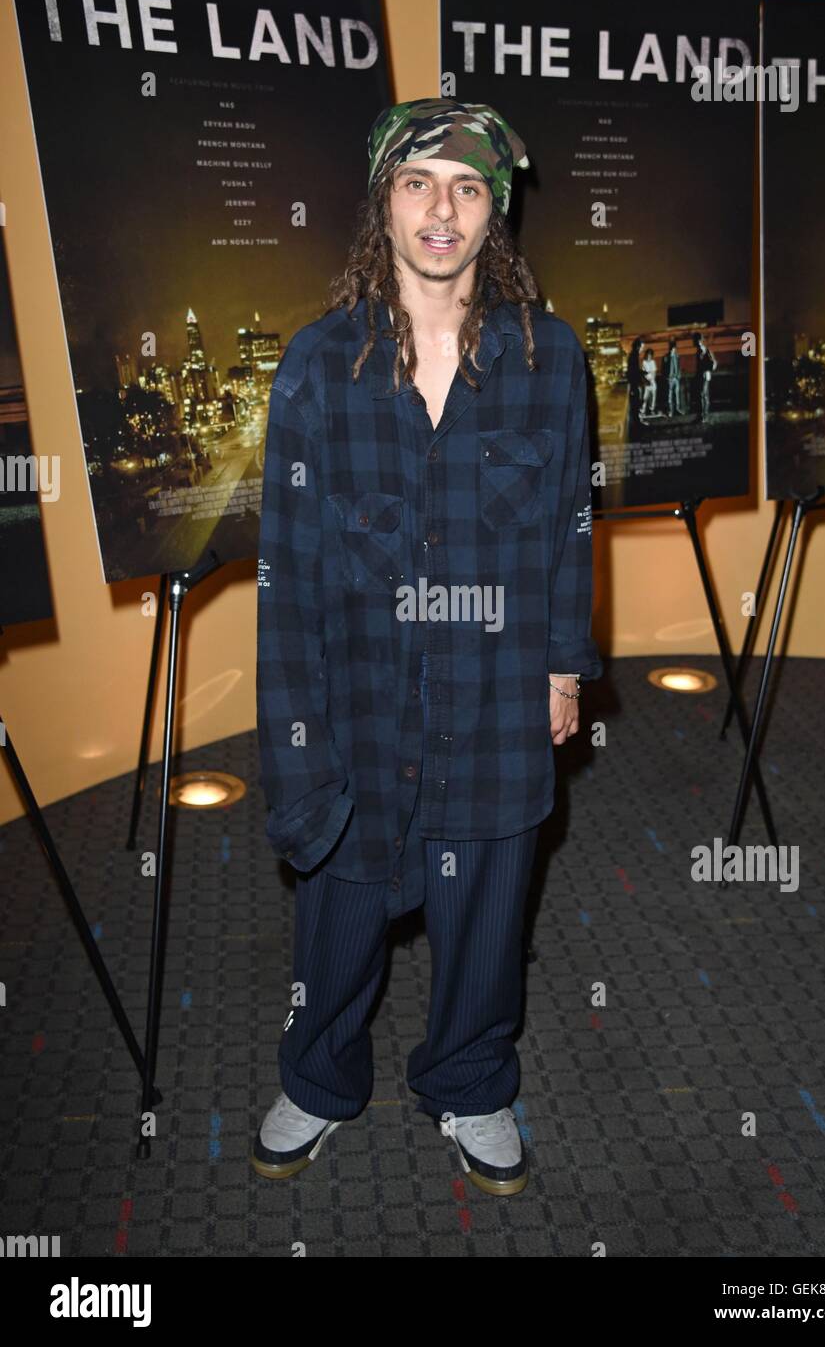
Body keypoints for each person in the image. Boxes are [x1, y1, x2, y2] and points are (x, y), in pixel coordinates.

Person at [253, 97, 603, 1197]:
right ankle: (317, 1076)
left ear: (493, 209)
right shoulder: (316, 366)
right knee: (342, 905)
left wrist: (560, 666)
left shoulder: (551, 361)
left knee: (488, 907)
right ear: (382, 202)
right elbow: (287, 568)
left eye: (464, 187)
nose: (439, 209)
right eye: (416, 184)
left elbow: (564, 530)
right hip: (358, 694)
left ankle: (470, 1078)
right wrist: (294, 725)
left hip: (497, 694)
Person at [693, 331, 717, 421]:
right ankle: (703, 415)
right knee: (703, 395)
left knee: (702, 395)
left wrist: (705, 369)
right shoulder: (701, 350)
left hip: (703, 375)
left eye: (694, 340)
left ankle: (703, 416)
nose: (693, 342)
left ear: (698, 340)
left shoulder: (703, 350)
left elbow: (711, 363)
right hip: (703, 375)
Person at [626, 336, 645, 432]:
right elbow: (634, 371)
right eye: (642, 347)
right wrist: (641, 374)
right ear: (638, 346)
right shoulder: (634, 355)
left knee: (636, 402)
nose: (643, 349)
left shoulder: (632, 355)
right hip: (634, 383)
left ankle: (637, 421)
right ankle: (637, 423)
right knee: (636, 402)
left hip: (634, 382)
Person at [663, 338, 684, 416]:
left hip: (676, 378)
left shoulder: (677, 356)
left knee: (676, 395)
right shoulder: (666, 356)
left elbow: (679, 366)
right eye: (671, 347)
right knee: (669, 395)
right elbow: (664, 367)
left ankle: (677, 409)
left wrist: (679, 375)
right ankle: (670, 411)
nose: (673, 348)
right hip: (669, 378)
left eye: (674, 347)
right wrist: (666, 377)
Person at [639, 346, 657, 418]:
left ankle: (651, 410)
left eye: (650, 355)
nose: (648, 356)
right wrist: (646, 380)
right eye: (647, 355)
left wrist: (652, 379)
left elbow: (654, 372)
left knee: (653, 397)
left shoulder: (653, 362)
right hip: (646, 382)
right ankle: (642, 411)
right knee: (645, 397)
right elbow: (643, 373)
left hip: (652, 382)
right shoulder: (643, 362)